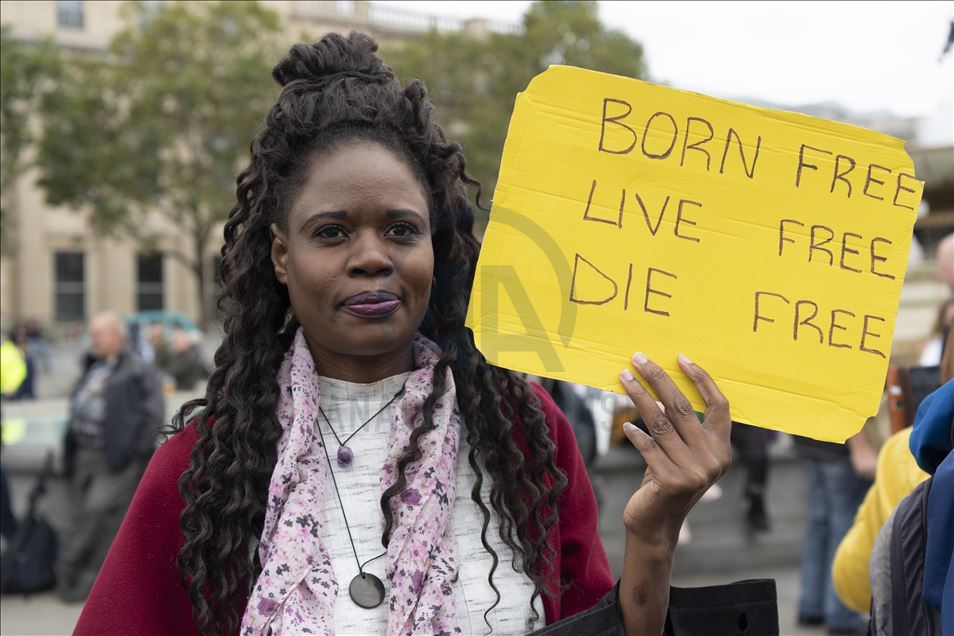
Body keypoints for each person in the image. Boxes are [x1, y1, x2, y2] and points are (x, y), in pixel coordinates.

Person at [73, 33, 767, 636]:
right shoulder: (201, 467)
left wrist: (653, 533)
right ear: (282, 256)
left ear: (435, 247)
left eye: (401, 230)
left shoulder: (526, 435)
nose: (372, 255)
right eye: (333, 232)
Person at [56, 312, 165, 602]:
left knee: (96, 510)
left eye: (98, 335)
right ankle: (75, 577)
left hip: (116, 458)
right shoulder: (95, 365)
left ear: (118, 336)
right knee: (82, 515)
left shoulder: (138, 368)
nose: (93, 341)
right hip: (84, 453)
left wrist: (134, 452)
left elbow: (154, 413)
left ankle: (84, 577)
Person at [794, 426, 876, 634]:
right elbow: (851, 396)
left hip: (812, 439)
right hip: (842, 446)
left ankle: (812, 606)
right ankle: (841, 613)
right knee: (844, 527)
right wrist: (861, 447)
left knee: (819, 523)